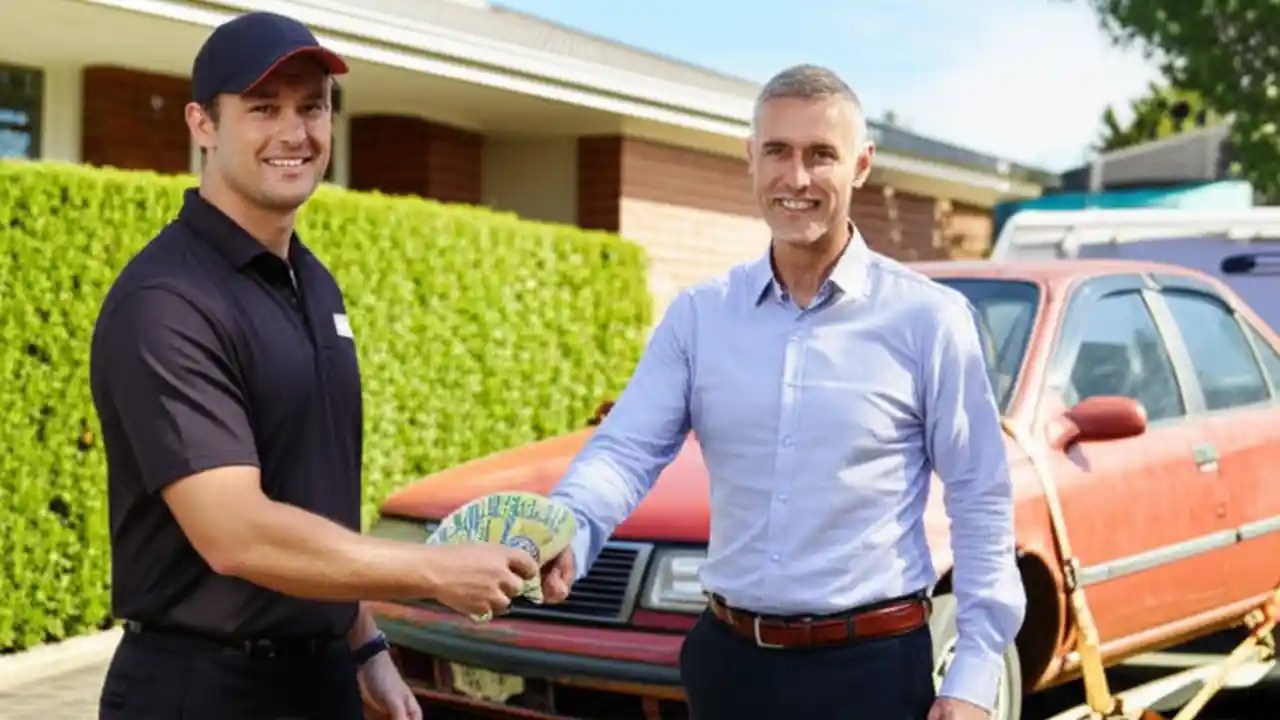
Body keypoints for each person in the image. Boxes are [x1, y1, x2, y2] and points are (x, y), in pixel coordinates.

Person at [538, 64, 1026, 720]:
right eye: (777, 151)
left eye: (821, 154)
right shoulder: (700, 317)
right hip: (729, 670)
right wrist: (566, 528)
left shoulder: (928, 320)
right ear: (751, 158)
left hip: (871, 675)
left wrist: (974, 672)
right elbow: (625, 452)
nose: (796, 178)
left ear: (861, 165)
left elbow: (979, 494)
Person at [89, 11, 538, 720]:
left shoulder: (313, 282)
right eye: (263, 108)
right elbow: (236, 532)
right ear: (203, 124)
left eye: (312, 107)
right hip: (203, 690)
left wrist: (365, 645)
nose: (294, 132)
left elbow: (311, 498)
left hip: (321, 678)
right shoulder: (168, 301)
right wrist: (432, 570)